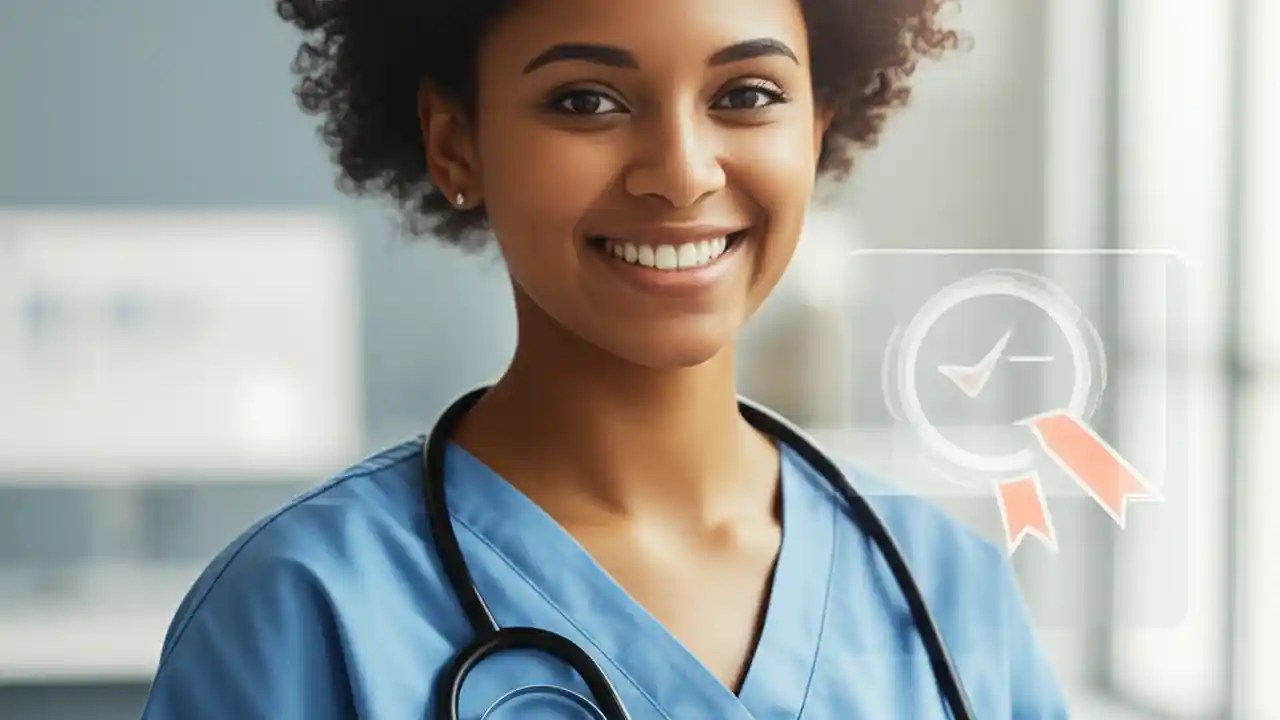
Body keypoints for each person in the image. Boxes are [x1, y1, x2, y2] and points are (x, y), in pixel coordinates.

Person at [140, 0, 1069, 717]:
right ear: (454, 142)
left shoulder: (946, 587)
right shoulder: (303, 611)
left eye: (746, 96)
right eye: (586, 101)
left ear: (817, 126)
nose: (680, 170)